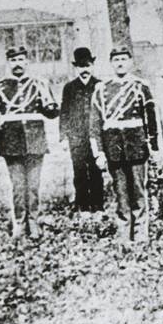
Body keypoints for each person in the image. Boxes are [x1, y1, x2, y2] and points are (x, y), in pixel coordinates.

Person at [0, 45, 59, 239]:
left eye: (21, 60)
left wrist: (50, 102)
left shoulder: (39, 84)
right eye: (13, 60)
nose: (17, 64)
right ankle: (19, 223)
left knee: (33, 186)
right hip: (11, 143)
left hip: (35, 142)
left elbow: (52, 113)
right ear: (9, 63)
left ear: (27, 62)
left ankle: (33, 222)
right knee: (18, 187)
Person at [89, 45, 161, 246]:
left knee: (138, 189)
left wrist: (153, 147)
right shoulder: (101, 90)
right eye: (116, 59)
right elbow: (94, 124)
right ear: (111, 63)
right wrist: (99, 153)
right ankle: (123, 232)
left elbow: (151, 120)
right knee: (120, 191)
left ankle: (140, 232)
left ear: (130, 62)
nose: (120, 63)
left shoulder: (141, 86)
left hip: (136, 145)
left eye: (123, 59)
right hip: (113, 147)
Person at [60, 46, 105, 213]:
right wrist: (63, 136)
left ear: (92, 66)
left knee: (96, 171)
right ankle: (83, 207)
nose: (84, 69)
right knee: (79, 172)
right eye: (80, 66)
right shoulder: (69, 88)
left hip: (95, 137)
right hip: (76, 138)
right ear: (76, 68)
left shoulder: (100, 85)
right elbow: (64, 113)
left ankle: (98, 207)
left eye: (87, 65)